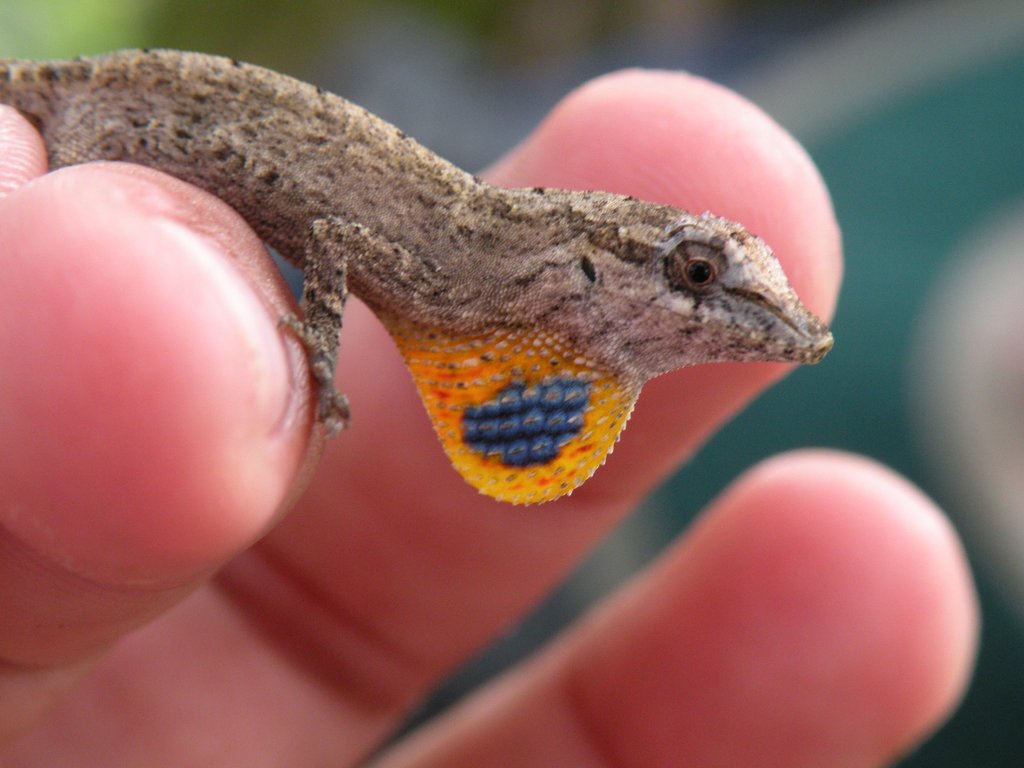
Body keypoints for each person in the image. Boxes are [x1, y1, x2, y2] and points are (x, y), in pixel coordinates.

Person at [0, 69, 976, 766]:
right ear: (594, 259)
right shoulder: (471, 274)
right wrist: (321, 341)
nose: (728, 317)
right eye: (692, 279)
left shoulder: (496, 293)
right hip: (97, 115)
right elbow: (333, 230)